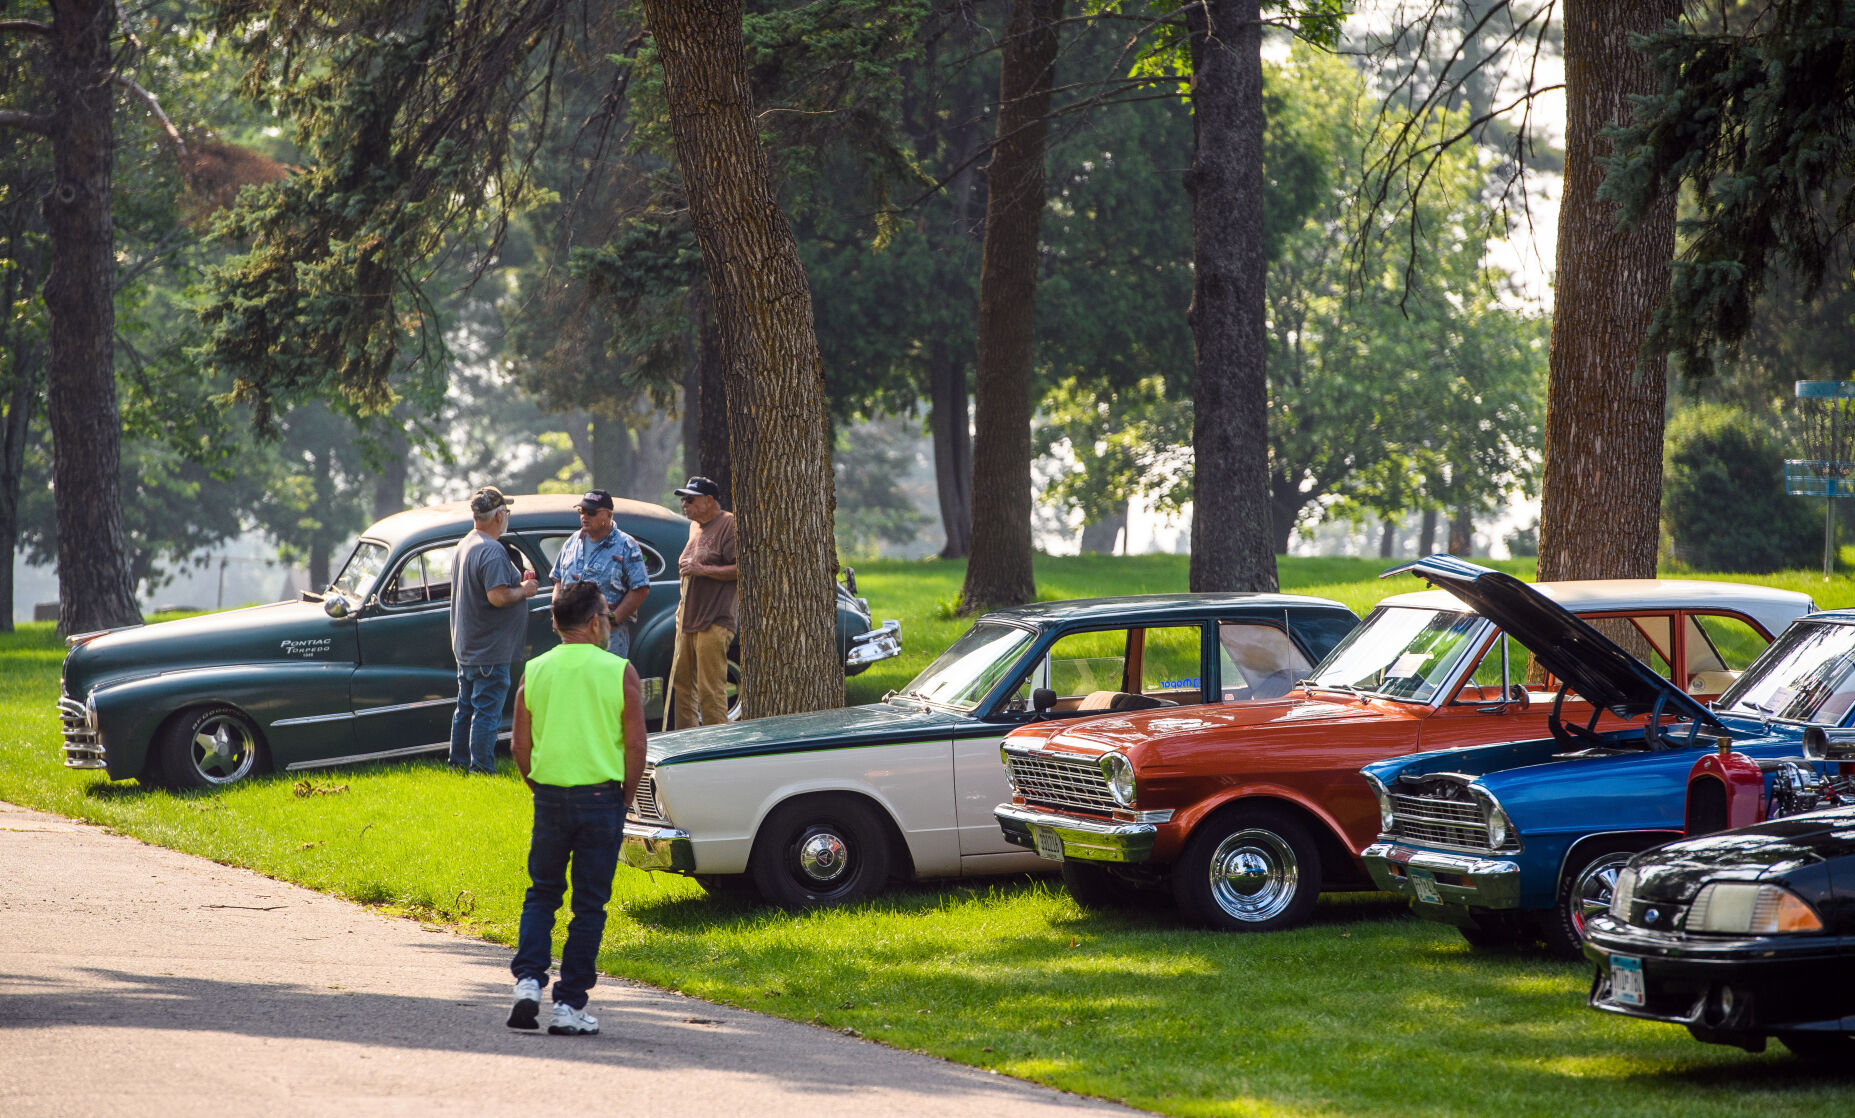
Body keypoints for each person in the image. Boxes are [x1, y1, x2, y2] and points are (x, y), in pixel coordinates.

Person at [507, 580, 647, 1037]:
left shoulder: (535, 671)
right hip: (601, 798)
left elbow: (519, 746)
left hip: (550, 796)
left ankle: (528, 982)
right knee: (589, 905)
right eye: (607, 615)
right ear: (592, 623)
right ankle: (569, 1005)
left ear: (555, 622)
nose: (609, 623)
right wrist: (625, 797)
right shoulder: (619, 671)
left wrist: (537, 784)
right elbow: (636, 744)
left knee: (542, 893)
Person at [449, 485, 538, 773]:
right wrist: (524, 589)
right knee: (486, 712)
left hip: (468, 646)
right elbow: (497, 596)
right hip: (489, 649)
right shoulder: (492, 550)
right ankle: (481, 768)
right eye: (506, 511)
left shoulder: (465, 543)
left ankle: (458, 763)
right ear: (499, 515)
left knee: (465, 709)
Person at [550, 489, 651, 658]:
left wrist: (612, 620)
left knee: (607, 675)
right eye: (581, 511)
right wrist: (557, 614)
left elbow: (640, 588)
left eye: (591, 512)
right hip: (572, 635)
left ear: (609, 515)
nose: (585, 516)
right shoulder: (572, 542)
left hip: (608, 638)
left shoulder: (626, 545)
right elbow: (558, 580)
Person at [669, 476, 737, 728]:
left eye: (690, 499)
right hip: (687, 619)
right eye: (683, 499)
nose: (684, 504)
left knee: (710, 687)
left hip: (715, 619)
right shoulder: (694, 527)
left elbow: (741, 569)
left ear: (709, 500)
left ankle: (716, 743)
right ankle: (687, 742)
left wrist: (703, 570)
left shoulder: (729, 524)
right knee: (682, 686)